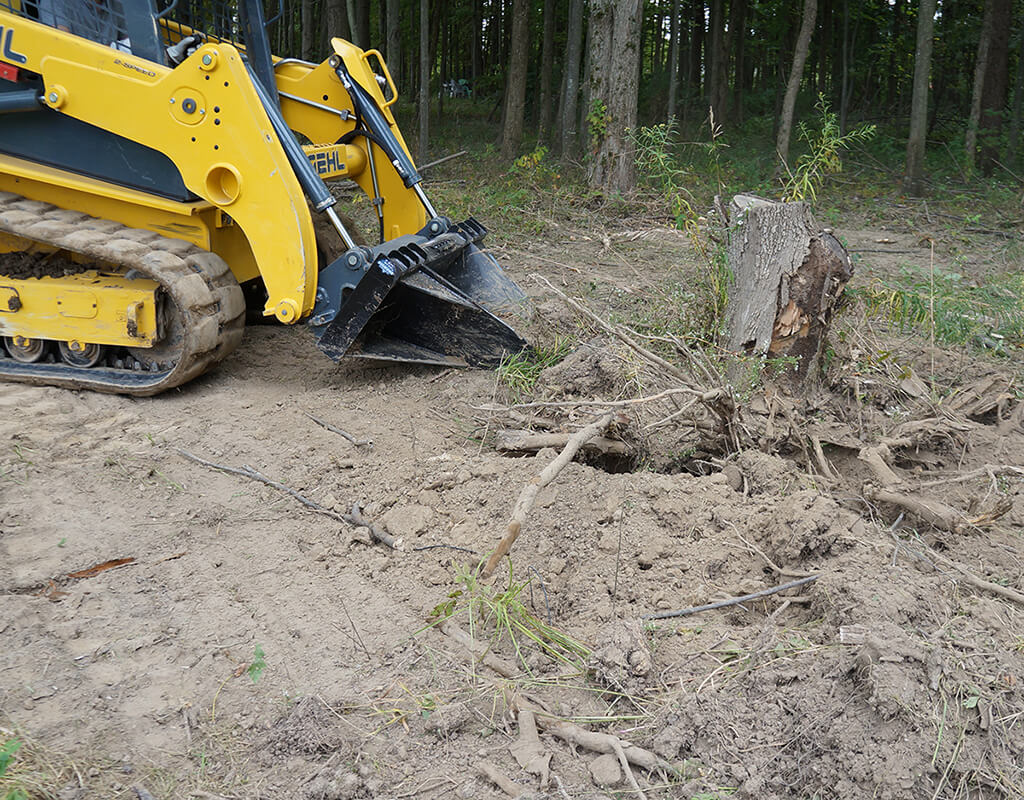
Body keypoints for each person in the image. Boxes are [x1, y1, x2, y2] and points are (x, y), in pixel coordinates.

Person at [35, 0, 126, 49]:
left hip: (110, 74)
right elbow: (61, 45)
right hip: (67, 74)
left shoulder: (117, 5)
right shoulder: (57, 2)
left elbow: (129, 43)